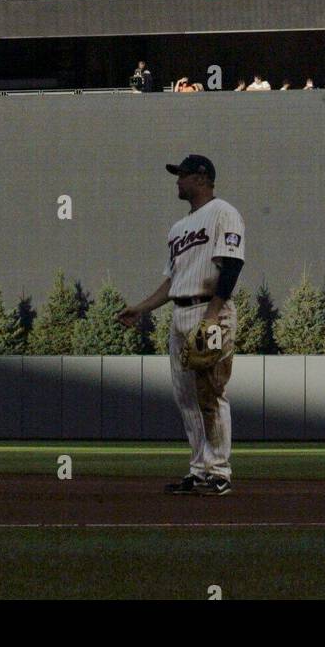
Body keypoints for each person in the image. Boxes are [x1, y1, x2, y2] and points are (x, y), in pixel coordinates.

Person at [118, 154, 245, 495]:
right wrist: (141, 308)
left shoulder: (224, 213)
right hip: (180, 313)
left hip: (210, 309)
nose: (177, 181)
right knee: (186, 398)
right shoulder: (178, 228)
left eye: (182, 175)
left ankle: (219, 471)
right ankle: (199, 470)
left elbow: (231, 266)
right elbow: (171, 283)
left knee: (211, 393)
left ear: (201, 178)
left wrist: (213, 315)